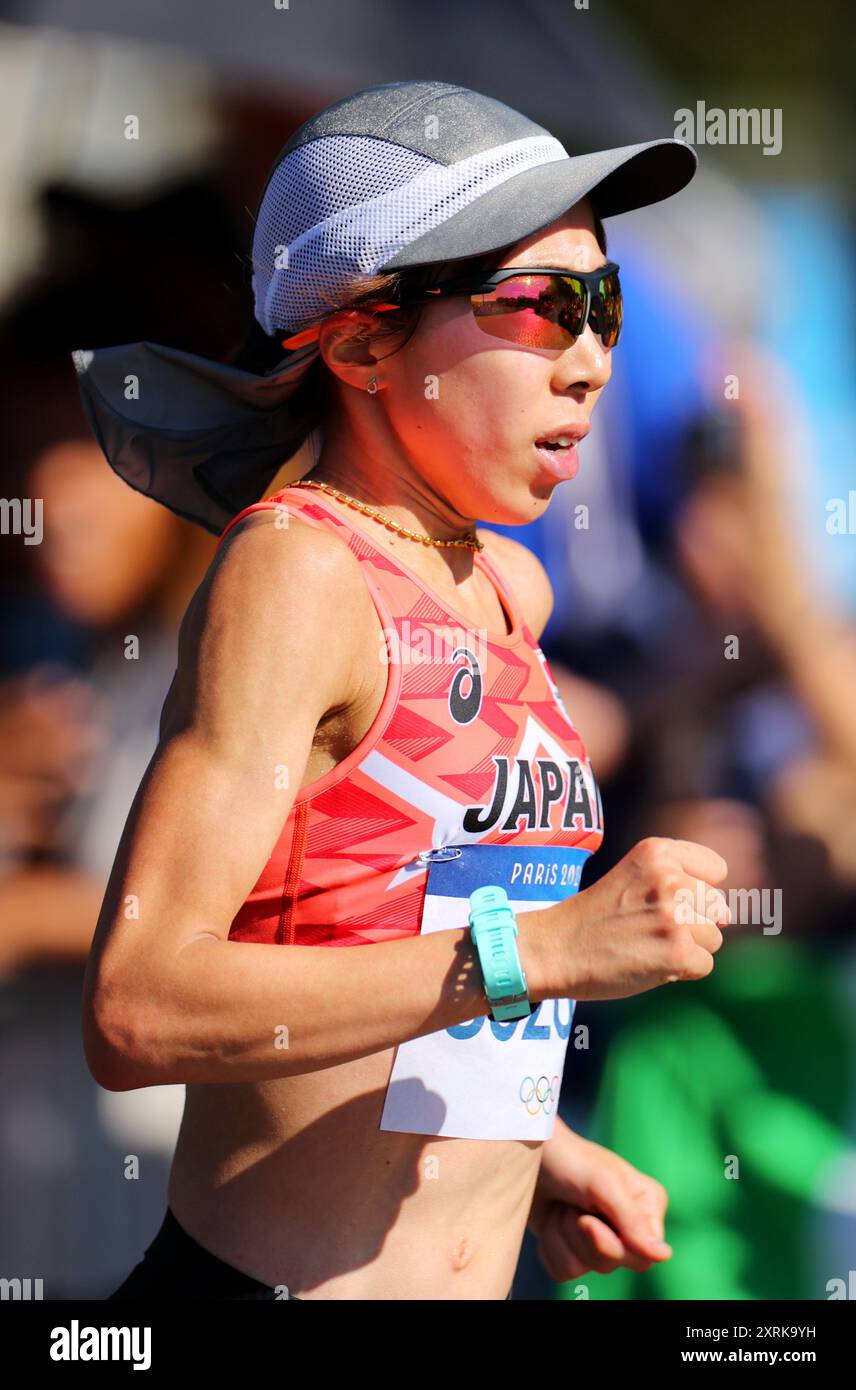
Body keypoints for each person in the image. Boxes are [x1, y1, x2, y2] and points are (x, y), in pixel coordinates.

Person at [76, 79, 731, 1301]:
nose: (589, 360)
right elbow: (140, 1002)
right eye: (537, 306)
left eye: (605, 303)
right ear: (365, 340)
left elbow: (381, 932)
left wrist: (529, 1155)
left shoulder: (506, 590)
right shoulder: (299, 574)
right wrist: (546, 947)